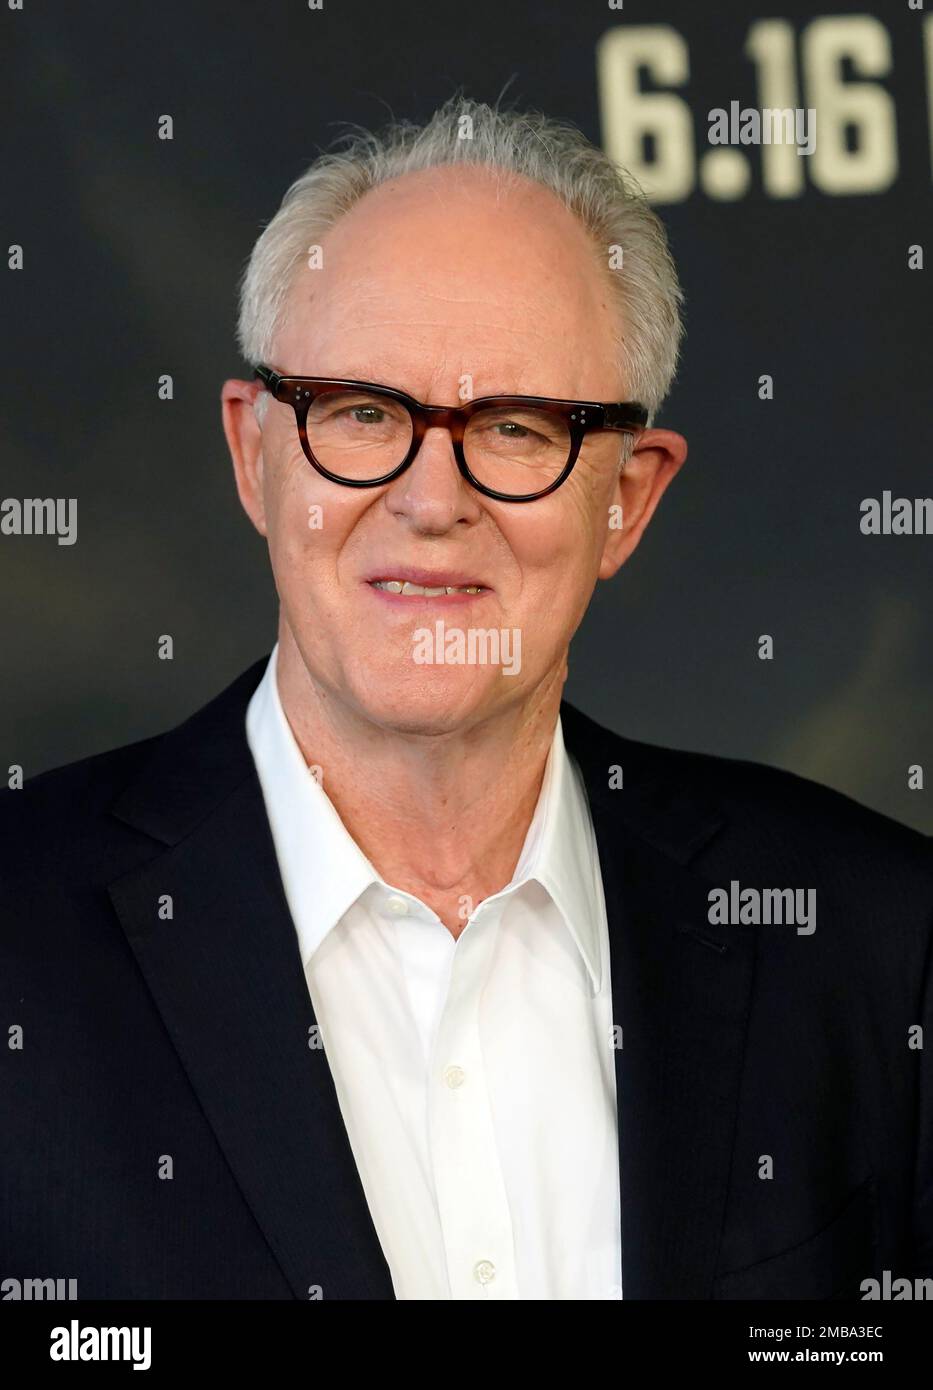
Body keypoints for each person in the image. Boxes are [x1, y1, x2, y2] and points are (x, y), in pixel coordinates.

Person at [2, 97, 930, 1300]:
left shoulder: (873, 937)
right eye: (362, 411)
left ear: (629, 499)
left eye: (515, 427)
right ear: (253, 456)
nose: (432, 498)